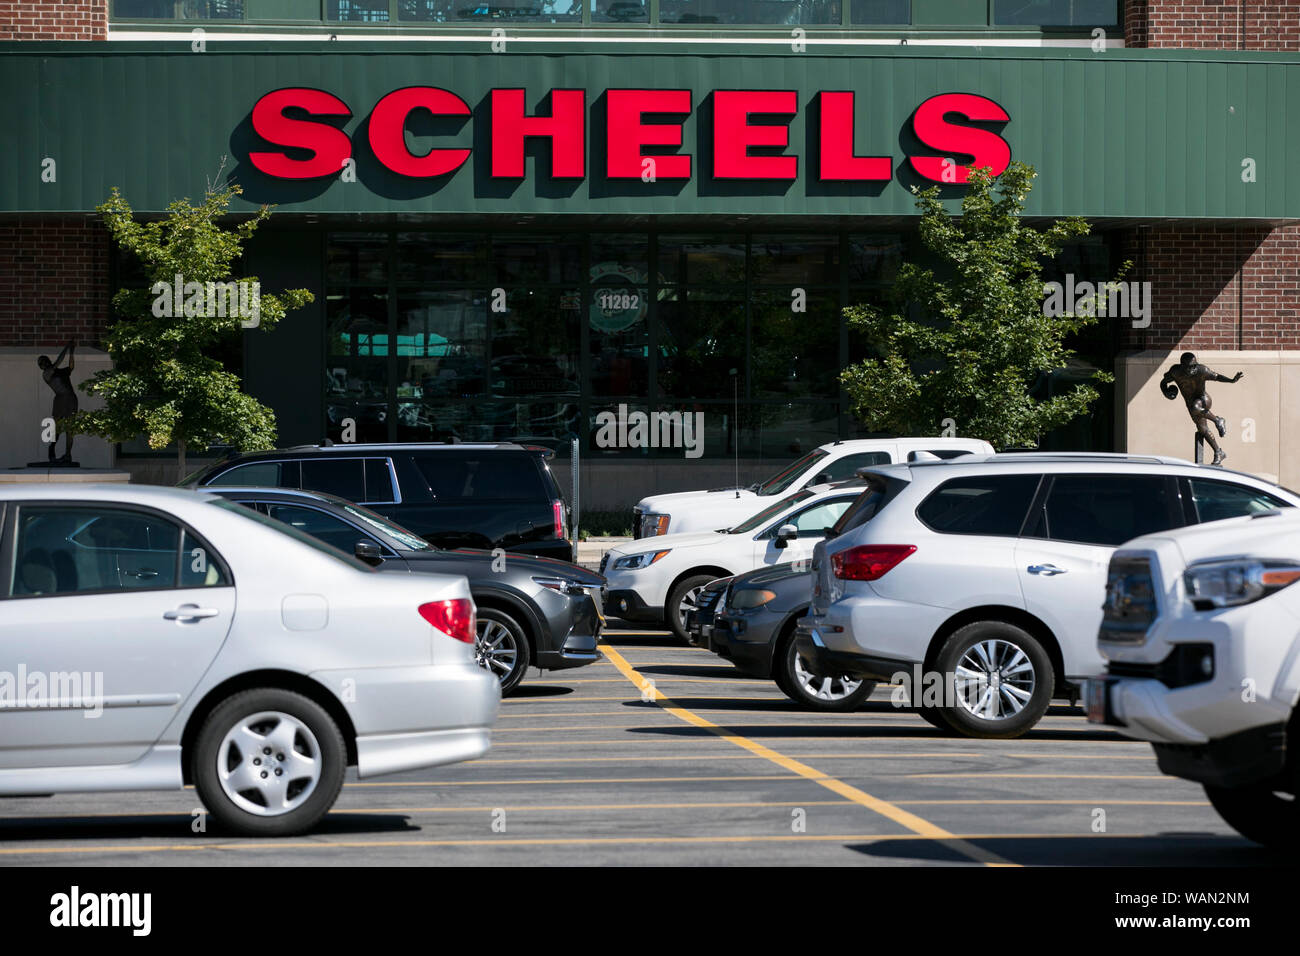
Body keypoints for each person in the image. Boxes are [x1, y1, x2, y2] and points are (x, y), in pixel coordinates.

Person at [1160, 351, 1242, 466]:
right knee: (1203, 429)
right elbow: (1163, 382)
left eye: (1194, 365)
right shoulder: (1175, 372)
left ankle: (1218, 420)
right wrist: (1166, 392)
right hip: (1190, 403)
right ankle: (1219, 452)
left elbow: (1217, 377)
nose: (1193, 369)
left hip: (1203, 400)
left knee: (1196, 407)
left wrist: (1231, 380)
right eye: (1190, 367)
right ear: (1182, 366)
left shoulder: (1202, 370)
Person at [37, 339, 77, 463]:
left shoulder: (59, 371)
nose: (45, 363)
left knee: (70, 429)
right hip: (60, 400)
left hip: (71, 399)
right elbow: (58, 362)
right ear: (42, 366)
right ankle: (52, 447)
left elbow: (71, 367)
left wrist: (71, 352)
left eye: (45, 361)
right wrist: (66, 347)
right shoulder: (47, 374)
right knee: (57, 428)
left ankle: (68, 455)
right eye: (43, 362)